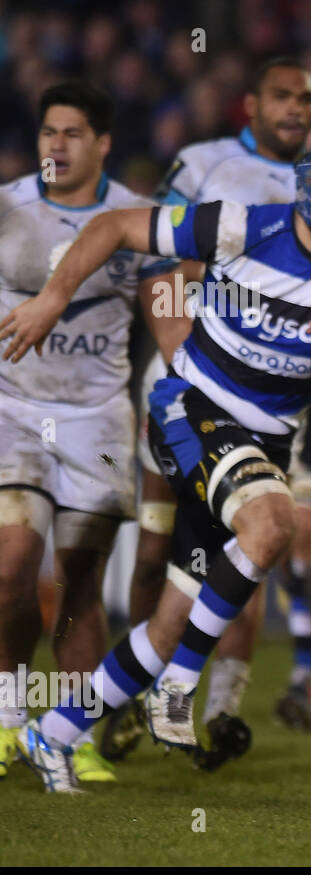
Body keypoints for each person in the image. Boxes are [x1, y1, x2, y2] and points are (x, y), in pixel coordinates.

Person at [0, 137, 311, 792]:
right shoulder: (242, 227)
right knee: (273, 524)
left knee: (171, 622)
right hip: (189, 409)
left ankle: (49, 735)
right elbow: (115, 226)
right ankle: (180, 687)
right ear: (307, 198)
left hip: (262, 446)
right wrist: (53, 299)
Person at [0, 80, 178, 784]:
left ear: (102, 144)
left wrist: (184, 376)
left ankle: (70, 735)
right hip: (13, 408)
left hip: (99, 420)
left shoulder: (134, 221)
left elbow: (168, 316)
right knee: (12, 565)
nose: (56, 145)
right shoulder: (9, 207)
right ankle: (9, 716)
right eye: (48, 132)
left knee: (80, 578)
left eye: (72, 133)